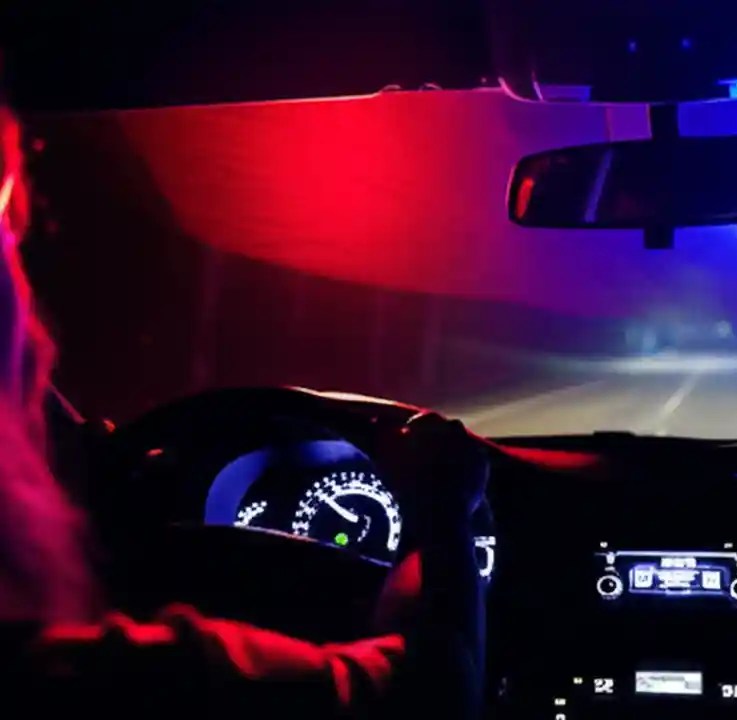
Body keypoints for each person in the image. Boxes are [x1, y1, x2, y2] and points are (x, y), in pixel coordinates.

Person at [0, 99, 486, 717]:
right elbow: (434, 692)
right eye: (9, 238)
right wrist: (442, 514)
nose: (33, 323)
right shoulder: (115, 678)